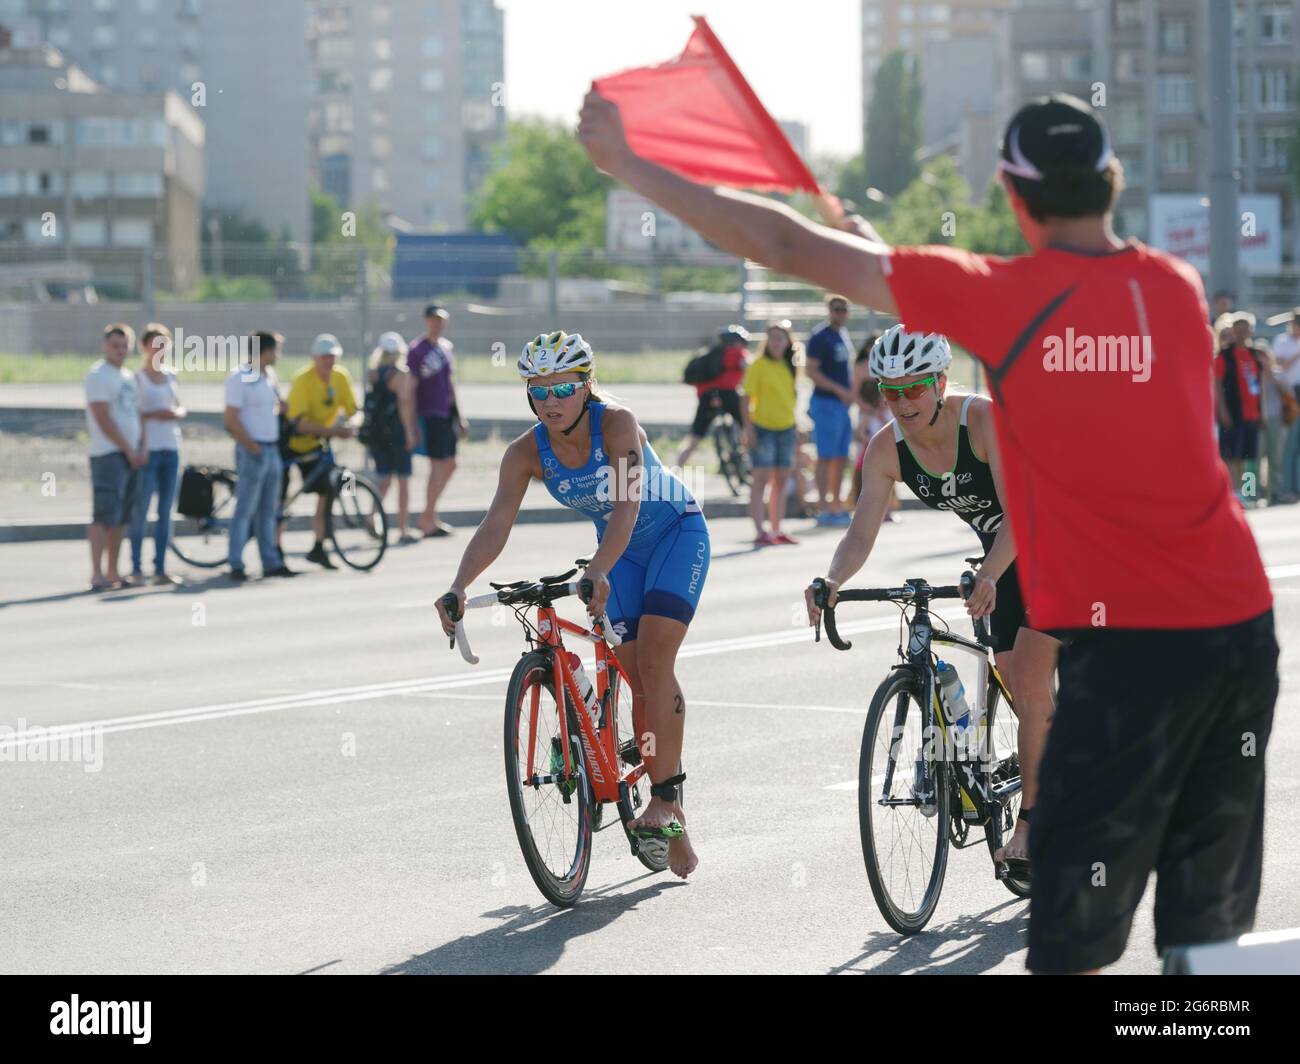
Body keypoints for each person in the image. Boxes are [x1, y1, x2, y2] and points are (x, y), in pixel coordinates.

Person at [579, 88, 1276, 975]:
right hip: (1229, 625)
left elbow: (788, 245)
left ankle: (1032, 821)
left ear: (1016, 200)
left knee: (1076, 938)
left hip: (1119, 632)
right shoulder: (1174, 291)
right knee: (1207, 947)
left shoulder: (1000, 297)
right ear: (1112, 181)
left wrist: (631, 166)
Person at [435, 331, 709, 880]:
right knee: (634, 679)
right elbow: (496, 523)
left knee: (656, 665)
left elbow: (628, 506)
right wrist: (459, 585)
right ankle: (664, 806)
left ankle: (668, 805)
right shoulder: (524, 453)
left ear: (586, 385)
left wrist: (599, 567)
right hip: (620, 554)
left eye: (563, 386)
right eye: (540, 390)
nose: (552, 399)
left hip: (673, 534)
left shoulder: (617, 424)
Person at [806, 325, 1057, 872]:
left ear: (941, 382)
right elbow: (860, 532)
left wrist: (988, 575)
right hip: (1007, 552)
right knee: (1011, 672)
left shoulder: (984, 420)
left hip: (1061, 538)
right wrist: (832, 581)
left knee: (1033, 674)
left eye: (914, 387)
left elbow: (1026, 513)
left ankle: (1036, 825)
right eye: (888, 390)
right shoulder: (885, 449)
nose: (902, 401)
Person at [284, 333, 361, 569]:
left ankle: (319, 546)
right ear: (314, 358)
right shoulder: (302, 380)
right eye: (325, 358)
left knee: (328, 491)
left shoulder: (340, 376)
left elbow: (355, 411)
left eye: (333, 357)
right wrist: (333, 432)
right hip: (294, 444)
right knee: (281, 498)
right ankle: (275, 549)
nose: (329, 362)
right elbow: (297, 423)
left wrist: (353, 425)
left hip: (320, 442)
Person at [225, 330, 295, 581]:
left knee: (269, 509)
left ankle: (270, 561)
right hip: (253, 449)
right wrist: (252, 447)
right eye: (276, 349)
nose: (278, 354)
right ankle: (235, 561)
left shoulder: (269, 376)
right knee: (245, 508)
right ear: (264, 351)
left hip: (272, 447)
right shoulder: (239, 377)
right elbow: (231, 419)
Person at [84, 323, 144, 591]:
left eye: (124, 345)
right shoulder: (98, 375)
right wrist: (127, 448)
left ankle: (113, 572)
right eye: (114, 345)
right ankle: (97, 574)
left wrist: (141, 448)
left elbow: (134, 415)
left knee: (121, 518)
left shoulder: (128, 377)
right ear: (105, 345)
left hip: (130, 456)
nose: (120, 350)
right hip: (108, 454)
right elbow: (103, 417)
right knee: (103, 515)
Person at [127, 323, 186, 586]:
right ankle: (136, 568)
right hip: (148, 449)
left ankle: (160, 567)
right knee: (141, 510)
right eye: (156, 344)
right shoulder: (136, 379)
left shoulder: (171, 375)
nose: (161, 349)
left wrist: (177, 413)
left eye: (165, 345)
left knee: (165, 512)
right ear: (144, 347)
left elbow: (178, 405)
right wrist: (155, 415)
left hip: (170, 448)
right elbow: (133, 414)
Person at [407, 304, 467, 537]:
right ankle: (428, 517)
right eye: (433, 319)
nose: (437, 324)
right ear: (426, 321)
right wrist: (412, 422)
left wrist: (459, 416)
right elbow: (410, 388)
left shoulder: (446, 348)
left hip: (446, 412)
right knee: (437, 465)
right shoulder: (416, 350)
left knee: (451, 464)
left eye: (441, 320)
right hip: (428, 413)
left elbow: (451, 384)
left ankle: (428, 514)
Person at [740, 321, 799, 545]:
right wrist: (749, 429)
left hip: (786, 429)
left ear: (787, 342)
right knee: (760, 480)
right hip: (762, 429)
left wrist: (796, 425)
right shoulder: (758, 365)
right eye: (772, 338)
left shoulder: (789, 366)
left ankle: (776, 529)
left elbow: (790, 398)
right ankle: (760, 530)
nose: (776, 342)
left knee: (781, 480)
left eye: (780, 338)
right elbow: (745, 399)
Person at [804, 295, 856, 525]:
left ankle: (836, 504)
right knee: (826, 456)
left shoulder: (842, 335)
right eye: (836, 309)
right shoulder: (820, 336)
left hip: (842, 405)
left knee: (841, 457)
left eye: (844, 309)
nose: (841, 314)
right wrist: (838, 390)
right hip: (826, 403)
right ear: (829, 310)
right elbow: (811, 371)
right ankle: (824, 507)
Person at [366, 331, 422, 542]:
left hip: (378, 434)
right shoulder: (402, 374)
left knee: (384, 478)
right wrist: (410, 432)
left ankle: (371, 516)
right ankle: (403, 528)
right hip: (397, 432)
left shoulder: (373, 373)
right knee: (404, 481)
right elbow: (404, 404)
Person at [676, 324, 750, 468]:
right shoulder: (736, 352)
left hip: (706, 397)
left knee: (695, 437)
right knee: (748, 425)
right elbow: (748, 368)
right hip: (728, 394)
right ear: (738, 342)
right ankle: (747, 460)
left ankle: (676, 469)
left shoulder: (707, 354)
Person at [1215, 312, 1262, 503]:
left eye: (1245, 329)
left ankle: (1248, 492)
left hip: (1252, 412)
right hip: (1234, 411)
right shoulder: (1224, 356)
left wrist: (1262, 411)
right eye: (1238, 329)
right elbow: (1217, 383)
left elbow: (1260, 385)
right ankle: (1234, 492)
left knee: (1248, 456)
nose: (1241, 333)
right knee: (1233, 455)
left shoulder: (1255, 355)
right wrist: (1223, 410)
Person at [850, 331, 897, 518]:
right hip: (866, 415)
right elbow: (854, 394)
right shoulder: (861, 368)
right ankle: (861, 506)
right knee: (864, 462)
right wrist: (869, 410)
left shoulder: (887, 366)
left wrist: (882, 410)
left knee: (889, 457)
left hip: (883, 413)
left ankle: (888, 507)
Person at [1273, 307, 1300, 497]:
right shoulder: (1282, 341)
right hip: (1288, 395)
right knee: (1288, 444)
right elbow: (1281, 365)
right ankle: (1285, 488)